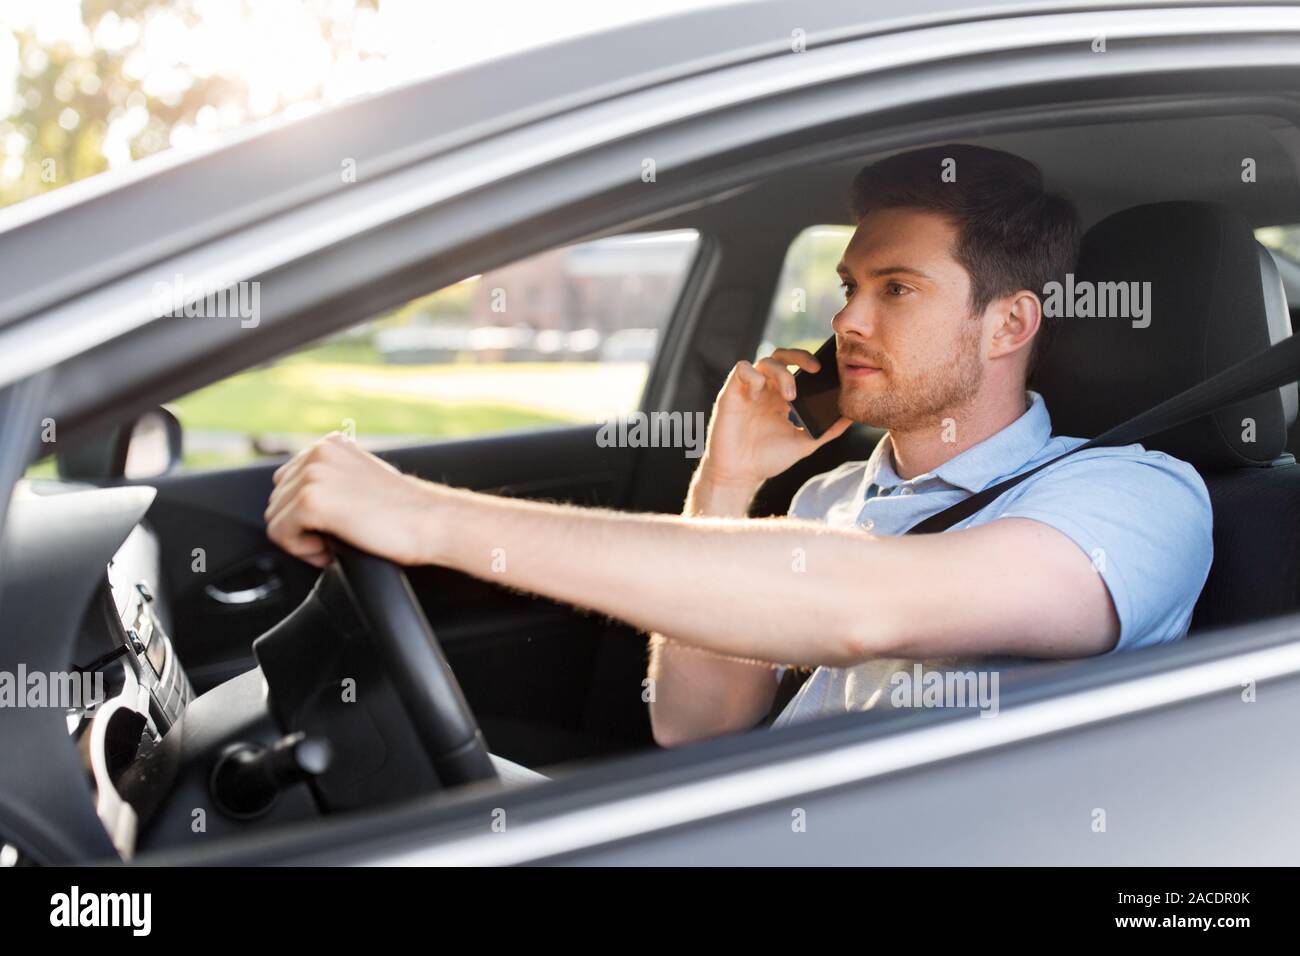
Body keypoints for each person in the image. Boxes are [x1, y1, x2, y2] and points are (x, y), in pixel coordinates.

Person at [264, 143, 1212, 760]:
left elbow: (860, 605)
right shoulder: (829, 498)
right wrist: (723, 479)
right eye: (849, 286)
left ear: (1009, 323)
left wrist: (426, 517)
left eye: (897, 289)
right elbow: (694, 725)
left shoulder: (1135, 497)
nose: (846, 317)